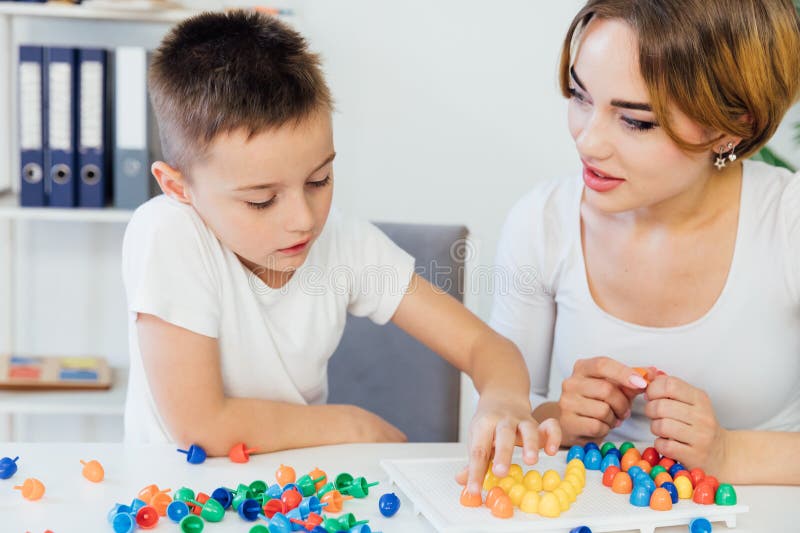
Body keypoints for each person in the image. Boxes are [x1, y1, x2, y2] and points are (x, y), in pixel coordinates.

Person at [121, 10, 560, 494]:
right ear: (178, 187)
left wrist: (502, 397)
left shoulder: (344, 242)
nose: (304, 220)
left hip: (289, 495)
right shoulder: (168, 232)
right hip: (173, 498)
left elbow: (485, 347)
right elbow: (201, 424)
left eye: (319, 180)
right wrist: (352, 426)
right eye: (261, 200)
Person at [491, 0, 800, 484]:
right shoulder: (541, 222)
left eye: (635, 120)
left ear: (731, 126)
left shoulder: (787, 223)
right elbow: (503, 417)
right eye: (579, 95)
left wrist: (727, 454)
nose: (588, 141)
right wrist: (559, 417)